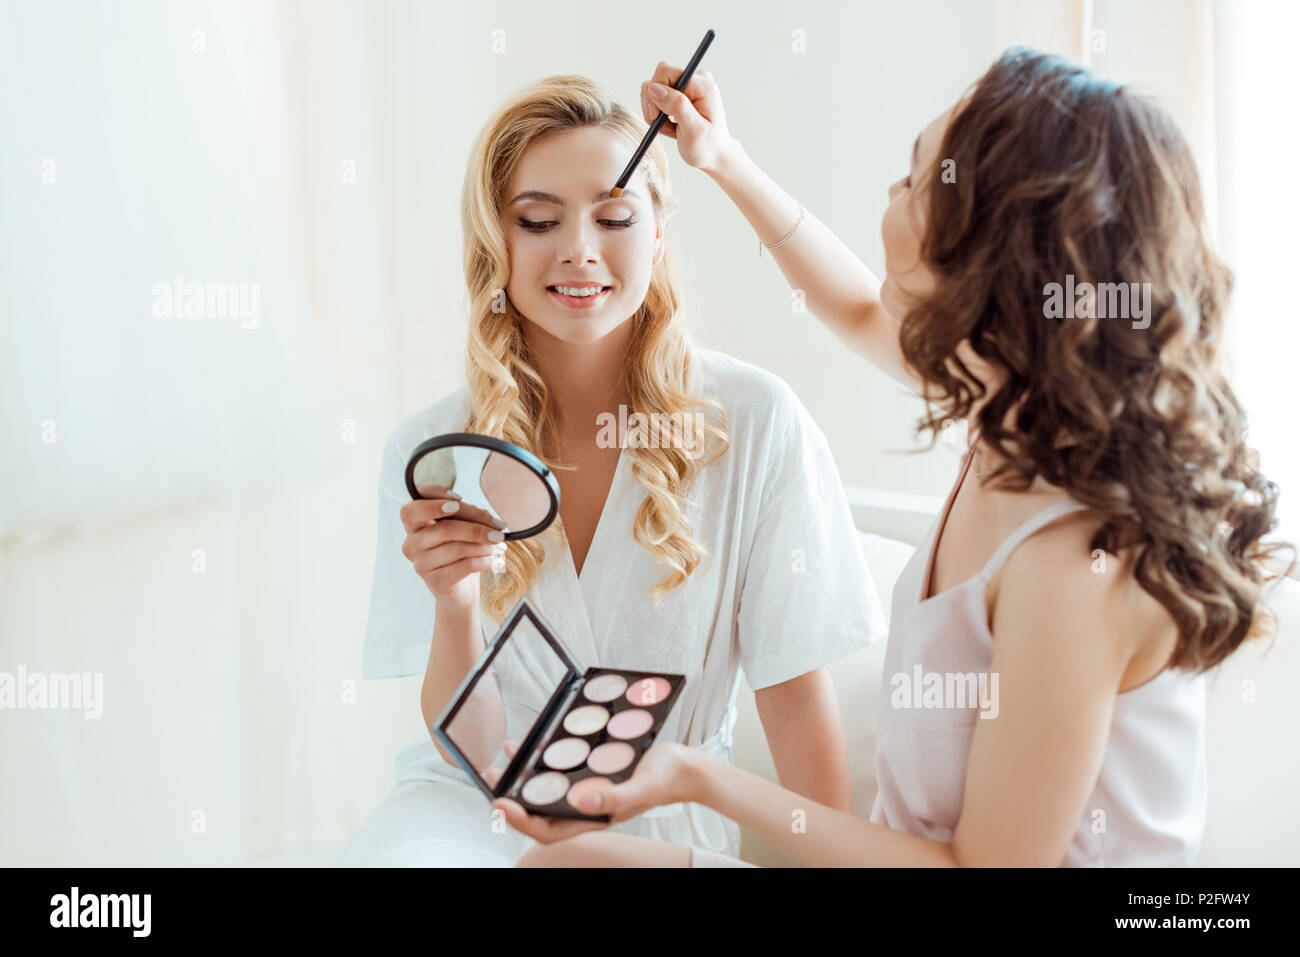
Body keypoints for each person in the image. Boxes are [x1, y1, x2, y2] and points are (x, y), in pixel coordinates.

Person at [496, 47, 1295, 867]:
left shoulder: (1074, 562)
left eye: (914, 182)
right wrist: (722, 159)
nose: (891, 195)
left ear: (990, 245)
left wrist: (701, 777)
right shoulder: (1010, 410)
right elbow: (847, 304)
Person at [339, 74, 888, 867]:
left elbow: (795, 696)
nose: (579, 250)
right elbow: (476, 749)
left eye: (615, 217)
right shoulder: (432, 451)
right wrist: (457, 606)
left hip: (662, 824)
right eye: (538, 220)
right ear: (498, 243)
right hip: (470, 815)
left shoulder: (754, 421)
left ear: (658, 236)